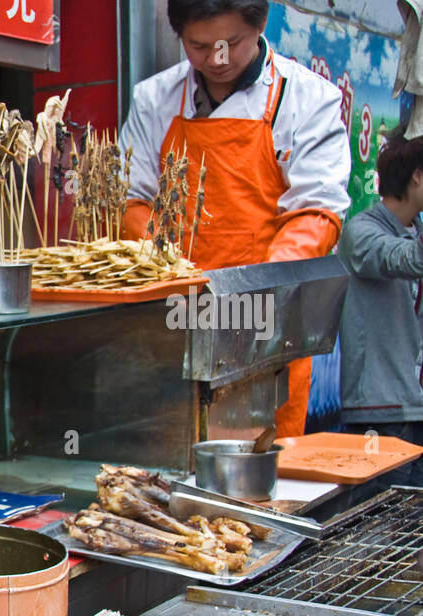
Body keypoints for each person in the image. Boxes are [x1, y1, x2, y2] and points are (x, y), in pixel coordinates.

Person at [120, 0, 351, 437]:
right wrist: (172, 271)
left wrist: (249, 295)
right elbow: (133, 200)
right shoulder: (154, 99)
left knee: (263, 472)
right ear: (180, 35)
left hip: (266, 326)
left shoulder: (307, 99)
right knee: (167, 456)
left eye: (231, 43)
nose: (217, 59)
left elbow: (315, 214)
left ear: (261, 25)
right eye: (199, 46)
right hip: (173, 322)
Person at [337, 132, 423, 485]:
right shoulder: (361, 232)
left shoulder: (413, 230)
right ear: (417, 175)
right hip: (380, 409)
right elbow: (402, 260)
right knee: (383, 526)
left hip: (414, 404)